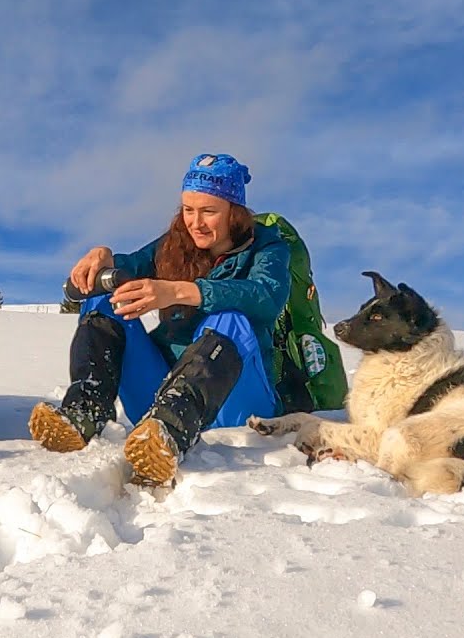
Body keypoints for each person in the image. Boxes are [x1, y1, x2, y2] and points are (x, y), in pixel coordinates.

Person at [29, 153, 292, 486]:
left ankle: (169, 432)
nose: (195, 222)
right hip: (159, 401)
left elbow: (266, 296)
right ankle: (85, 412)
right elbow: (127, 269)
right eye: (188, 210)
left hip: (237, 403)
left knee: (231, 317)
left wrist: (181, 291)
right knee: (105, 296)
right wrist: (102, 255)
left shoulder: (268, 248)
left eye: (209, 211)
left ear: (234, 214)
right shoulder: (173, 245)